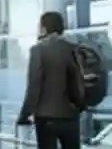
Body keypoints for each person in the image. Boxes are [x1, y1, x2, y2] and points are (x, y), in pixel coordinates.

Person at [17, 12, 83, 149]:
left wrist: (25, 115)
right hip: (70, 115)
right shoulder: (73, 49)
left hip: (46, 117)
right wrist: (79, 106)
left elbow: (34, 87)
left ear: (44, 28)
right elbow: (78, 81)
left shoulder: (38, 50)